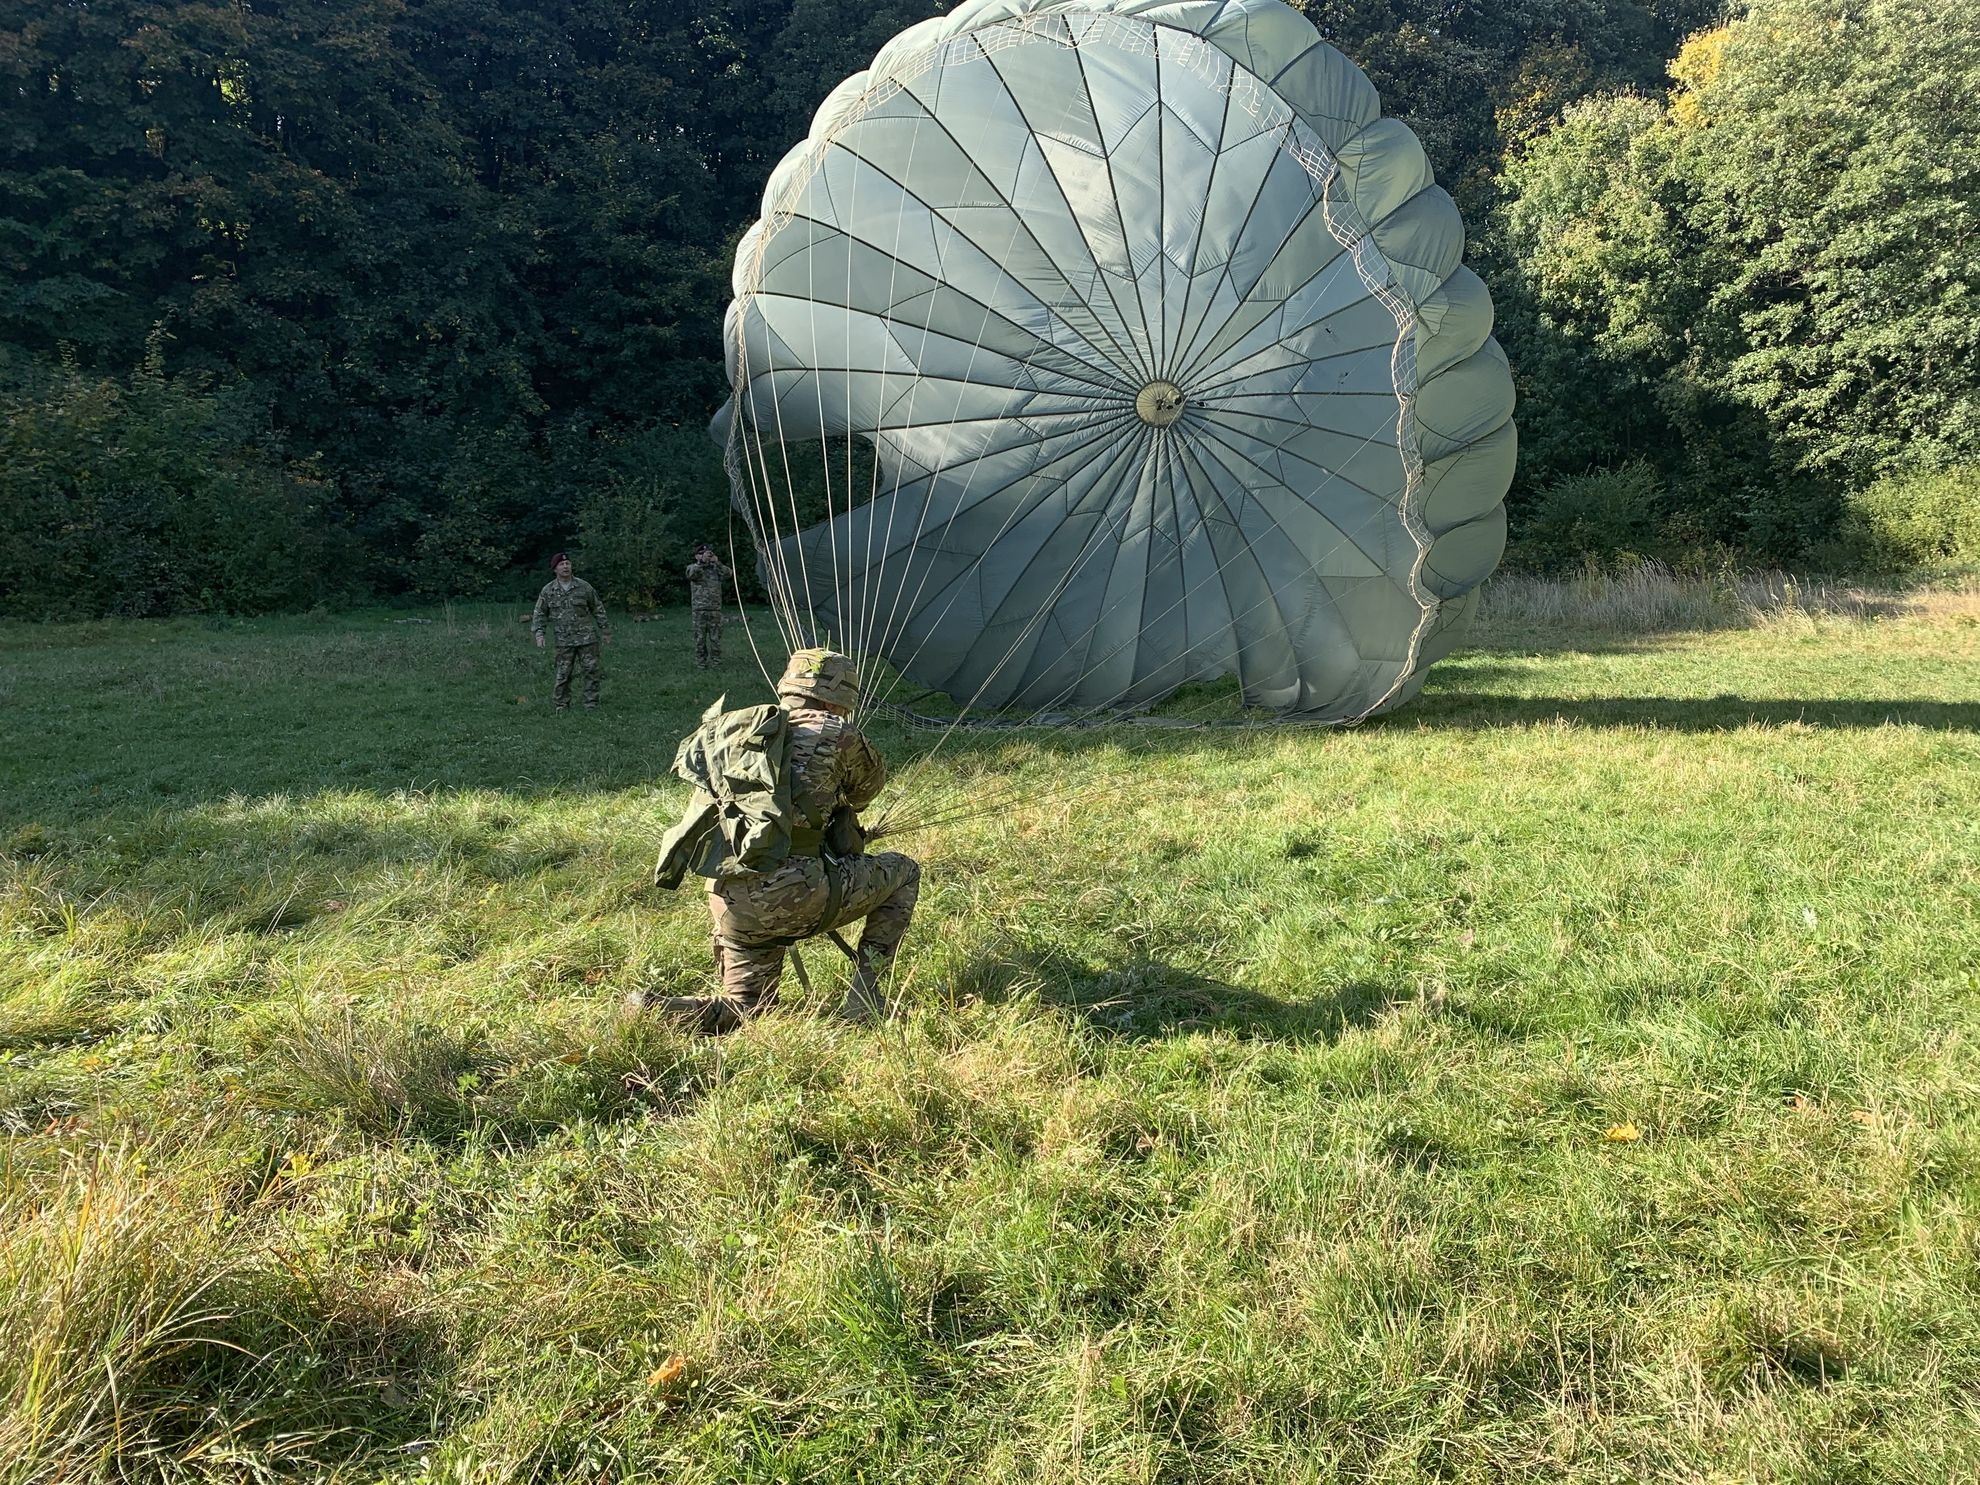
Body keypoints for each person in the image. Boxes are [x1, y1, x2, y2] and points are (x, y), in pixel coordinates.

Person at [648, 649, 919, 1033]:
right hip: (796, 894)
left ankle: (654, 1012)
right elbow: (865, 791)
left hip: (732, 901)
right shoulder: (838, 734)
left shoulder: (733, 731)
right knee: (905, 872)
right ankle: (867, 999)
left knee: (746, 1008)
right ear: (837, 696)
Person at [531, 552, 610, 711]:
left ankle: (591, 704)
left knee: (591, 672)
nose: (565, 567)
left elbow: (598, 608)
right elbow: (539, 613)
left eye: (568, 564)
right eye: (561, 564)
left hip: (587, 639)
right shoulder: (548, 590)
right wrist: (539, 633)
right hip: (564, 640)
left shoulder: (584, 586)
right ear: (555, 569)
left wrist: (605, 630)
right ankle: (561, 704)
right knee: (563, 674)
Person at [685, 543, 729, 670]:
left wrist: (717, 562)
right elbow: (691, 575)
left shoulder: (716, 569)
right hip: (699, 610)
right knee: (700, 639)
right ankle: (701, 663)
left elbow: (728, 573)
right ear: (696, 556)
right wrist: (701, 563)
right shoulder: (693, 567)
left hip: (715, 609)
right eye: (702, 554)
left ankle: (716, 663)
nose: (706, 556)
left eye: (708, 553)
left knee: (715, 638)